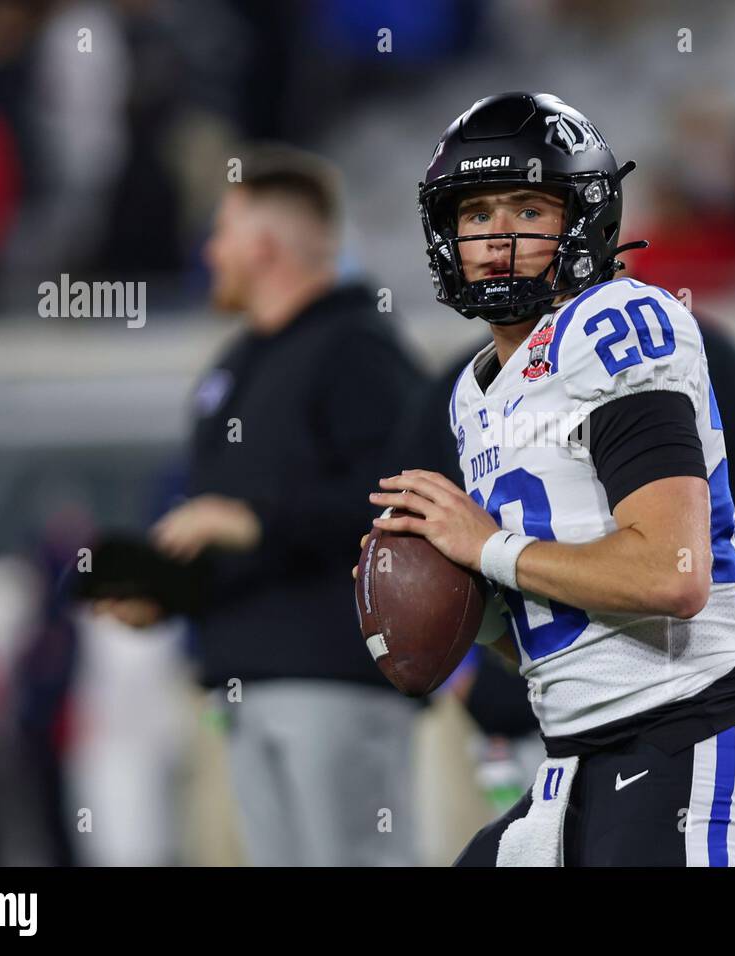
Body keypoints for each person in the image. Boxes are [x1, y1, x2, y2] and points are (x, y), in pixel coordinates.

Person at [358, 92, 735, 866]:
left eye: (527, 208)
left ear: (582, 219)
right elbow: (557, 638)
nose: (497, 236)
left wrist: (488, 547)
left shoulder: (617, 324)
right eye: (476, 212)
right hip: (571, 762)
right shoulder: (473, 391)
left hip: (683, 739)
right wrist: (465, 608)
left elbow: (674, 572)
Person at [97, 146, 424, 866]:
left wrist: (256, 520)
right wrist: (170, 592)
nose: (208, 251)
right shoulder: (239, 365)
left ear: (266, 246)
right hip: (246, 677)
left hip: (333, 676)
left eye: (222, 232)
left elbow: (406, 500)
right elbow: (243, 532)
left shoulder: (357, 350)